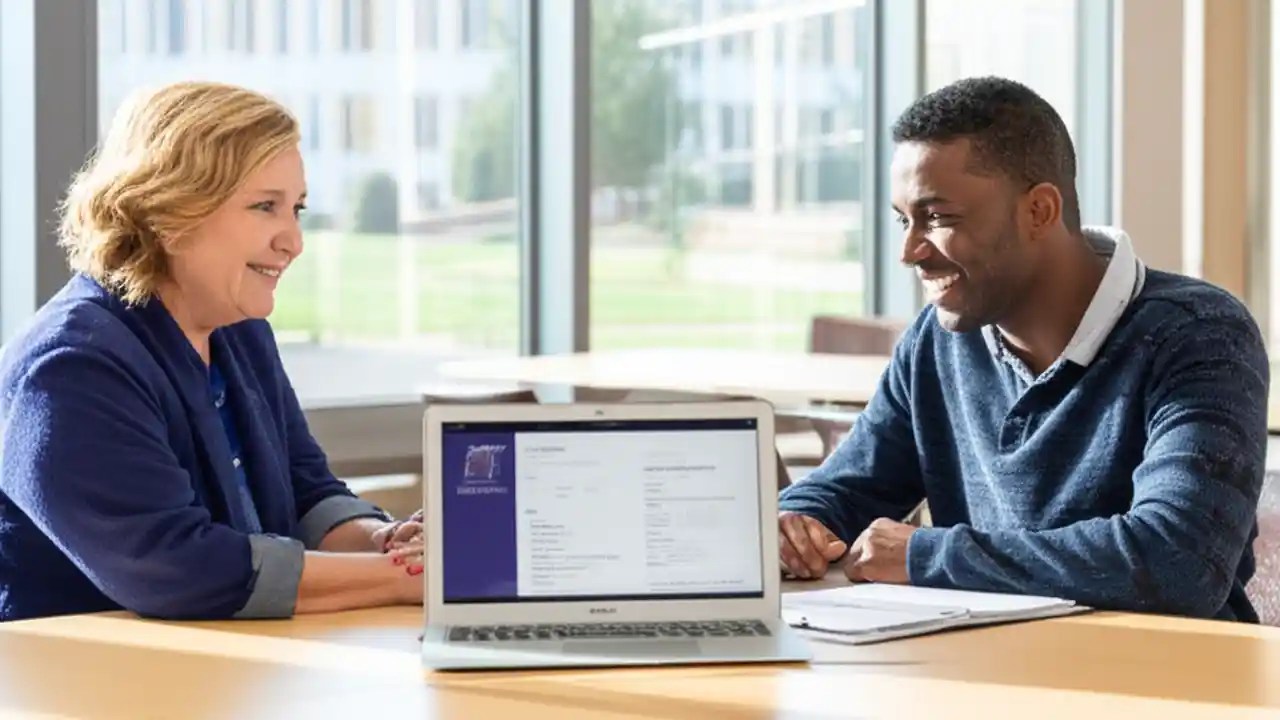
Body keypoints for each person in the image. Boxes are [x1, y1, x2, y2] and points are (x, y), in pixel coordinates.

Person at [778, 76, 1269, 622]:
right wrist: (796, 525)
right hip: (991, 676)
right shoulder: (937, 340)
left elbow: (1180, 562)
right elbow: (846, 491)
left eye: (938, 218)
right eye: (903, 219)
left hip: (1163, 686)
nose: (910, 252)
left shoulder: (1199, 333)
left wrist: (927, 555)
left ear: (1039, 211)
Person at [0, 81, 424, 621]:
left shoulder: (238, 329)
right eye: (265, 207)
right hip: (89, 688)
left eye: (297, 208)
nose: (293, 240)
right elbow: (178, 568)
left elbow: (306, 491)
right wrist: (404, 579)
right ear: (171, 211)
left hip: (223, 671)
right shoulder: (70, 367)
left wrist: (387, 542)